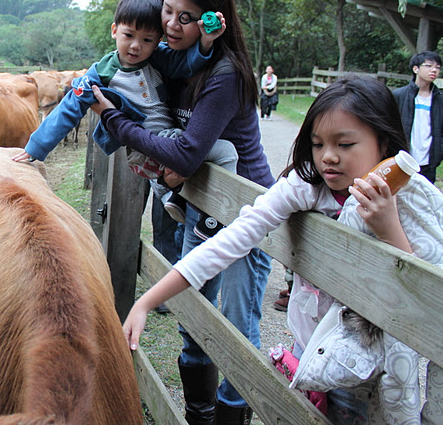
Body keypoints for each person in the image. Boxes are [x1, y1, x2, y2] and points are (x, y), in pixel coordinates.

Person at [119, 75, 443, 424]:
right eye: (317, 145)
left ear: (385, 144)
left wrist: (388, 226)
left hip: (372, 365)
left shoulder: (409, 198)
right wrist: (147, 301)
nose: (327, 158)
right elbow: (231, 240)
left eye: (345, 144)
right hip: (311, 345)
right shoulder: (305, 187)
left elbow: (425, 298)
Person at [90, 0, 274, 424]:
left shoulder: (225, 73)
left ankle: (231, 417)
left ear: (211, 19)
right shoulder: (172, 63)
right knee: (193, 320)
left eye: (186, 17)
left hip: (243, 213)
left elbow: (187, 154)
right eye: (168, 11)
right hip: (199, 207)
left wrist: (114, 119)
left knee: (235, 328)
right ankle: (199, 416)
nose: (171, 24)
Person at [11, 0, 237, 225]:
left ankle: (179, 201)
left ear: (158, 40)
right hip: (143, 148)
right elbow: (70, 106)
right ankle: (203, 208)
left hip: (168, 141)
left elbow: (187, 65)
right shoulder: (100, 73)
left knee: (202, 157)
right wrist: (36, 147)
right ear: (114, 30)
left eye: (147, 40)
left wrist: (205, 42)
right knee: (221, 152)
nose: (136, 46)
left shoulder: (159, 58)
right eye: (128, 35)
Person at [392, 50, 442, 184]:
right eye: (429, 65)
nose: (434, 70)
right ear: (416, 69)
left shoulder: (440, 100)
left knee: (424, 201)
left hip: (429, 162)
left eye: (437, 67)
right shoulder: (399, 95)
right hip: (403, 159)